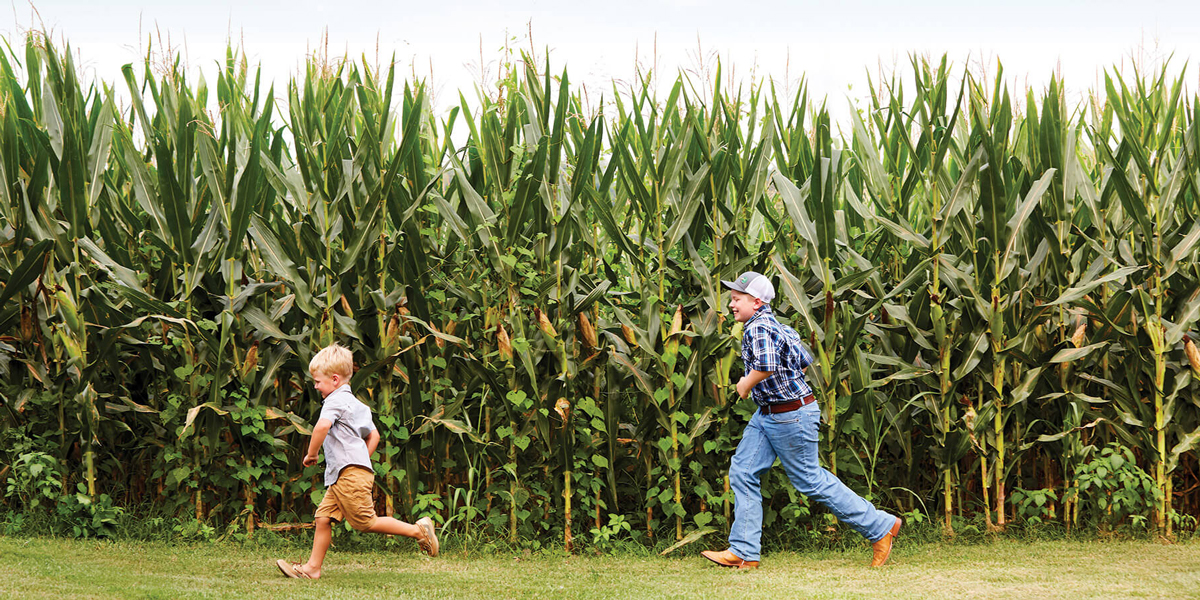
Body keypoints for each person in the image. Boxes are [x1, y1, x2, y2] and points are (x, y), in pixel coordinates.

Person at [701, 272, 901, 570]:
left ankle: (879, 526)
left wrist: (745, 384)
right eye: (732, 298)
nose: (731, 304)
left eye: (736, 299)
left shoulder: (757, 329)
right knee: (743, 471)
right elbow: (805, 360)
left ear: (756, 302)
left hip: (789, 415)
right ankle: (743, 552)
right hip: (769, 413)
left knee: (809, 479)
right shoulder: (778, 326)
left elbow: (767, 366)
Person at [276, 343, 439, 579]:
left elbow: (322, 426)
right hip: (349, 472)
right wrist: (360, 460)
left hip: (348, 474)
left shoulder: (333, 401)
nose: (315, 386)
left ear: (334, 379)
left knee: (366, 522)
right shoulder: (358, 404)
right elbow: (374, 436)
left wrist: (312, 454)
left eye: (318, 381)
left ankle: (419, 531)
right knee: (323, 518)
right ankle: (312, 569)